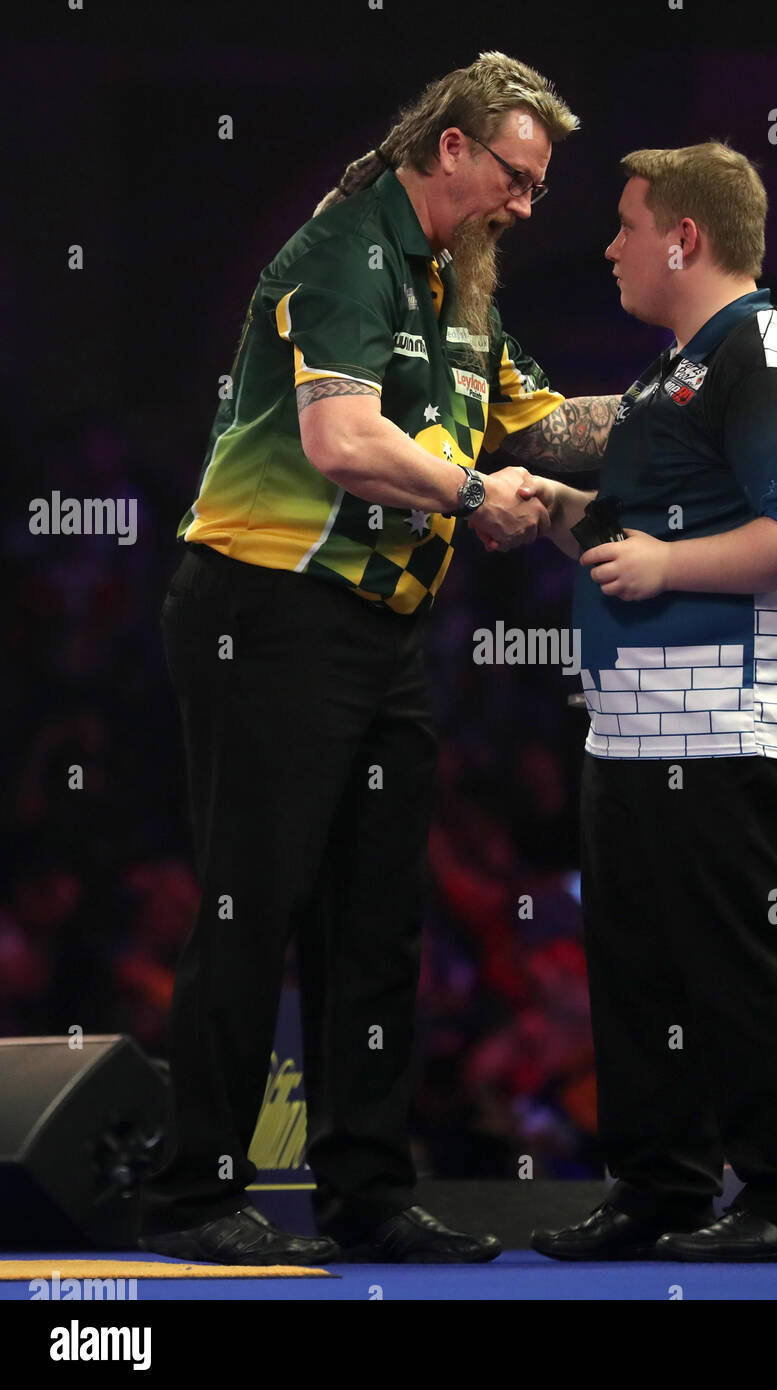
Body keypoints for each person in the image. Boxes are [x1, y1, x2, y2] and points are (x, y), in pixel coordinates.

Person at [138, 52, 621, 1266]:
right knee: (253, 903)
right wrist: (473, 490)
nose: (524, 204)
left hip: (383, 626)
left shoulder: (462, 293)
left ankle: (364, 1192)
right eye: (517, 177)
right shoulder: (345, 251)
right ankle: (195, 1195)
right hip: (270, 606)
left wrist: (703, 381)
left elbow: (551, 427)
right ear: (451, 147)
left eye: (539, 190)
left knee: (376, 921)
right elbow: (344, 440)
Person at [528, 142, 777, 1261]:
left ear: (686, 239)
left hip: (733, 722)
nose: (610, 245)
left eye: (627, 225)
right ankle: (658, 1188)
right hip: (634, 725)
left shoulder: (763, 360)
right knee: (637, 968)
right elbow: (643, 532)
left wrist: (667, 571)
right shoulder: (675, 374)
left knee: (738, 964)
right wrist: (559, 507)